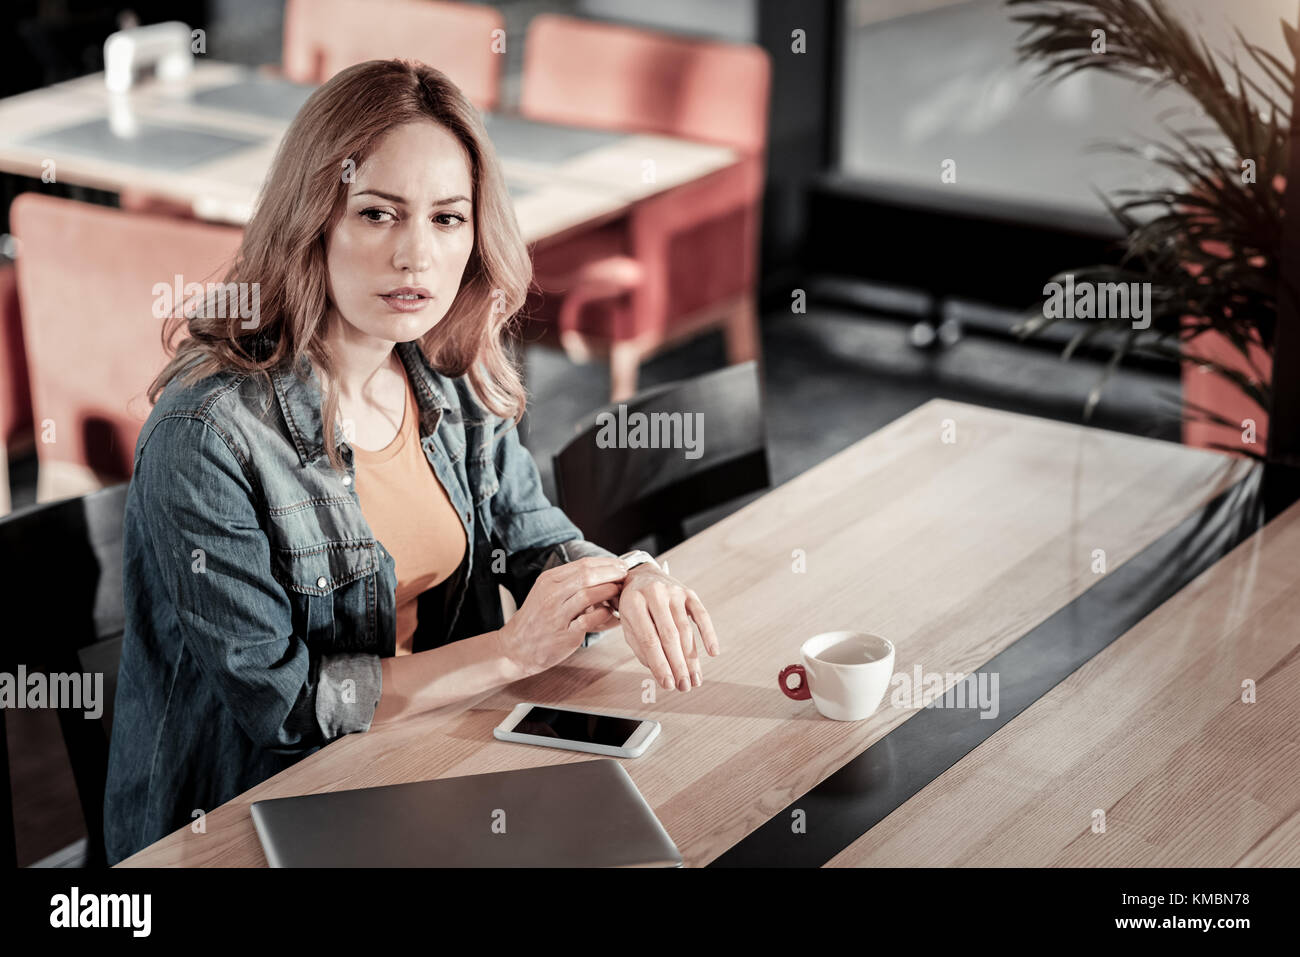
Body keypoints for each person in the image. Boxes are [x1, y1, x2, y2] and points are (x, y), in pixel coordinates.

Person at [103, 58, 719, 865]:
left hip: (433, 767)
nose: (416, 258)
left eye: (447, 219)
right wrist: (508, 652)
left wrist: (631, 577)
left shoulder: (447, 367)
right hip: (243, 817)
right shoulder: (208, 432)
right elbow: (286, 706)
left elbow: (533, 536)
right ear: (311, 220)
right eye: (378, 214)